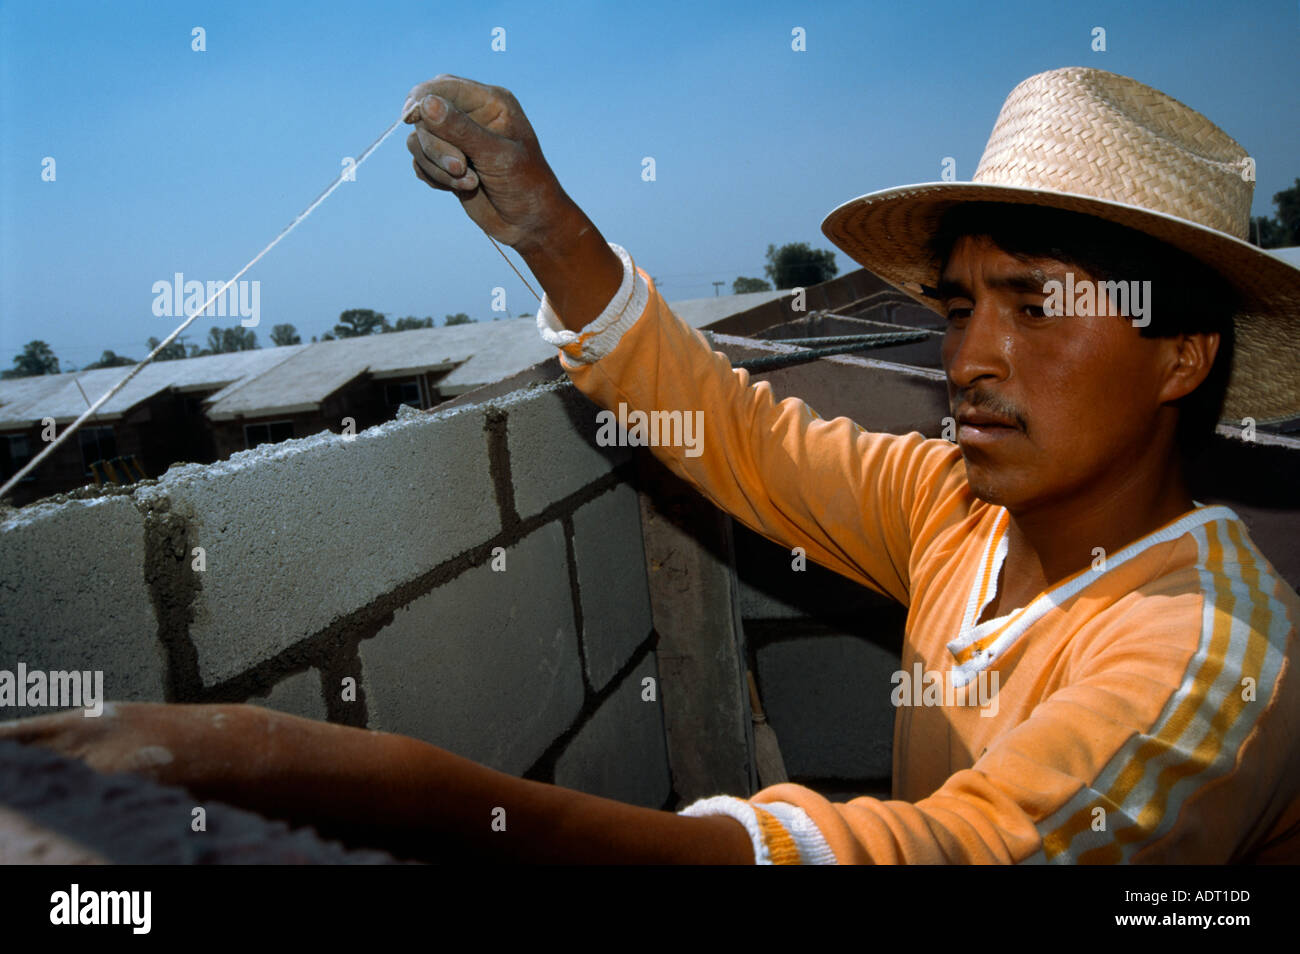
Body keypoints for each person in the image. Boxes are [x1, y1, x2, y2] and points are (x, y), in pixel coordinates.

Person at [4, 67, 1298, 864]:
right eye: (960, 307)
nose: (970, 356)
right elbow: (733, 433)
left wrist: (373, 783)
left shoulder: (1206, 657)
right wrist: (549, 227)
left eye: (1034, 306)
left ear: (1181, 354)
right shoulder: (953, 509)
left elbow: (952, 851)